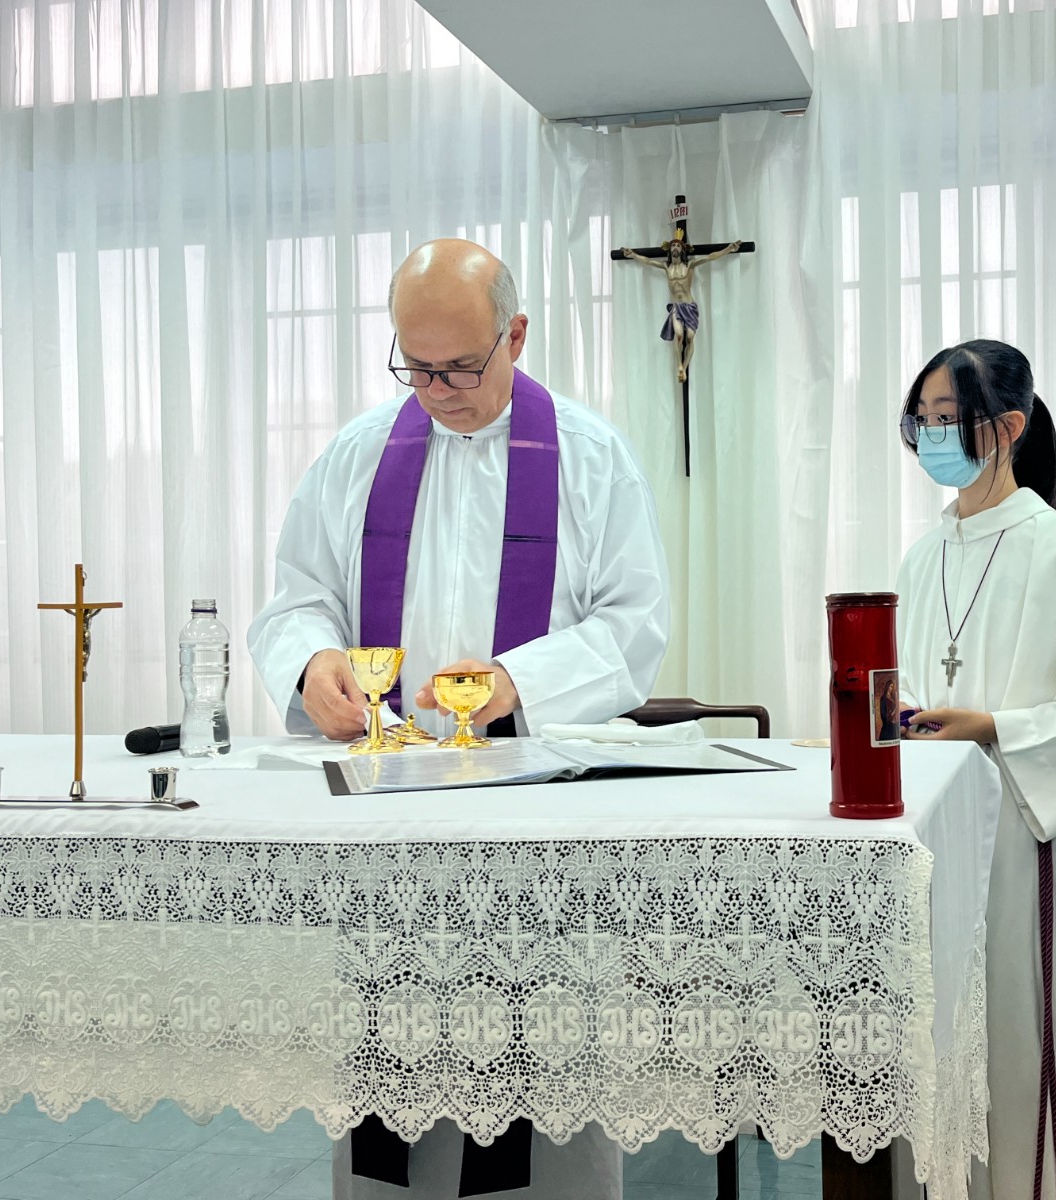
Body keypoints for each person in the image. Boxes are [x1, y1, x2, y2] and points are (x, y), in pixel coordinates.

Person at [248, 239, 672, 1200]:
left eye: (461, 367)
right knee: (391, 1100)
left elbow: (635, 625)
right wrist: (312, 660)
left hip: (534, 824)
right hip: (388, 820)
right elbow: (296, 598)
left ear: (516, 335)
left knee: (540, 1103)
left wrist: (520, 679)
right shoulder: (359, 454)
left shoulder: (592, 460)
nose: (436, 389)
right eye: (416, 366)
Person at [895, 340, 1056, 1200]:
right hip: (931, 844)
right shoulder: (923, 556)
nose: (933, 436)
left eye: (948, 419)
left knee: (1020, 1044)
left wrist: (994, 728)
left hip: (1015, 836)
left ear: (1008, 426)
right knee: (942, 1048)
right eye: (922, 421)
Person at [617, 230, 742, 382]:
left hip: (689, 307)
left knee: (690, 338)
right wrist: (634, 255)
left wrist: (728, 249)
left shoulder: (689, 265)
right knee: (678, 335)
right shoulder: (666, 267)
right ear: (669, 250)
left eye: (678, 245)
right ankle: (680, 367)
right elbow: (648, 261)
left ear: (682, 249)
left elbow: (710, 257)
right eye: (673, 245)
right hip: (676, 307)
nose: (675, 247)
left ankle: (685, 366)